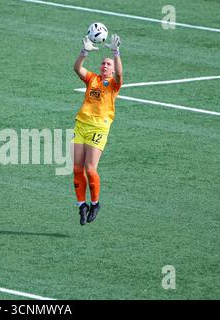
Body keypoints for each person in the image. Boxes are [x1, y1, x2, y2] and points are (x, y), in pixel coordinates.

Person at [72, 34, 123, 225]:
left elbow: (119, 73)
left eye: (108, 64)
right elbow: (77, 68)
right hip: (81, 124)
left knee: (90, 168)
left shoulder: (114, 85)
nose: (105, 66)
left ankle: (95, 203)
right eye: (103, 63)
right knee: (77, 168)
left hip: (99, 127)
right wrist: (84, 52)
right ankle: (81, 205)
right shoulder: (92, 79)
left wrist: (115, 53)